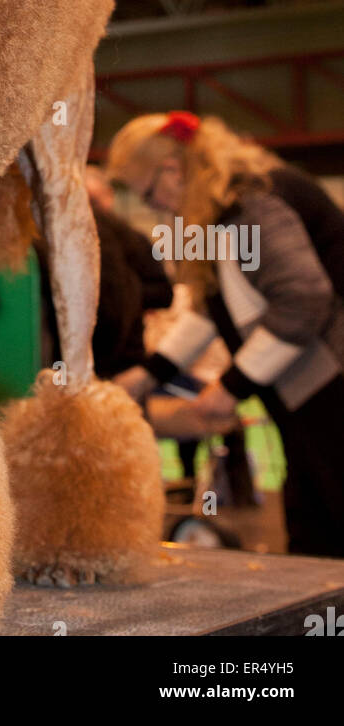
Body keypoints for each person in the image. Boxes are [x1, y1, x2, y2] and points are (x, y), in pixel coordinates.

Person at [108, 110, 344, 557]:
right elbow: (212, 310)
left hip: (330, 389)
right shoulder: (214, 215)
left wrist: (232, 386)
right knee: (312, 531)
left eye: (149, 194)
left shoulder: (251, 200)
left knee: (323, 531)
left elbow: (303, 298)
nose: (154, 207)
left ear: (173, 169)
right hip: (305, 397)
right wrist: (148, 374)